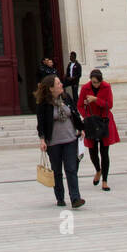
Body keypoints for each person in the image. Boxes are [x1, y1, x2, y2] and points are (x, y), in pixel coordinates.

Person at [35, 75, 85, 209]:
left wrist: (81, 128)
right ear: (51, 88)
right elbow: (41, 124)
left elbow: (74, 114)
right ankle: (60, 197)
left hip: (70, 139)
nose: (61, 85)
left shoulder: (67, 98)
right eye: (58, 83)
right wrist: (42, 139)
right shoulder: (43, 104)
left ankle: (75, 198)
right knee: (57, 171)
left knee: (71, 169)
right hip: (54, 142)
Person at [77, 69, 119, 190]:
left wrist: (96, 100)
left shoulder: (106, 87)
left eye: (97, 82)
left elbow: (109, 105)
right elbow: (79, 105)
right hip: (91, 122)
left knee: (105, 151)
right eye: (93, 82)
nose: (95, 84)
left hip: (103, 121)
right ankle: (98, 170)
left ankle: (105, 180)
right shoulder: (85, 88)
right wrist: (86, 116)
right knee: (92, 150)